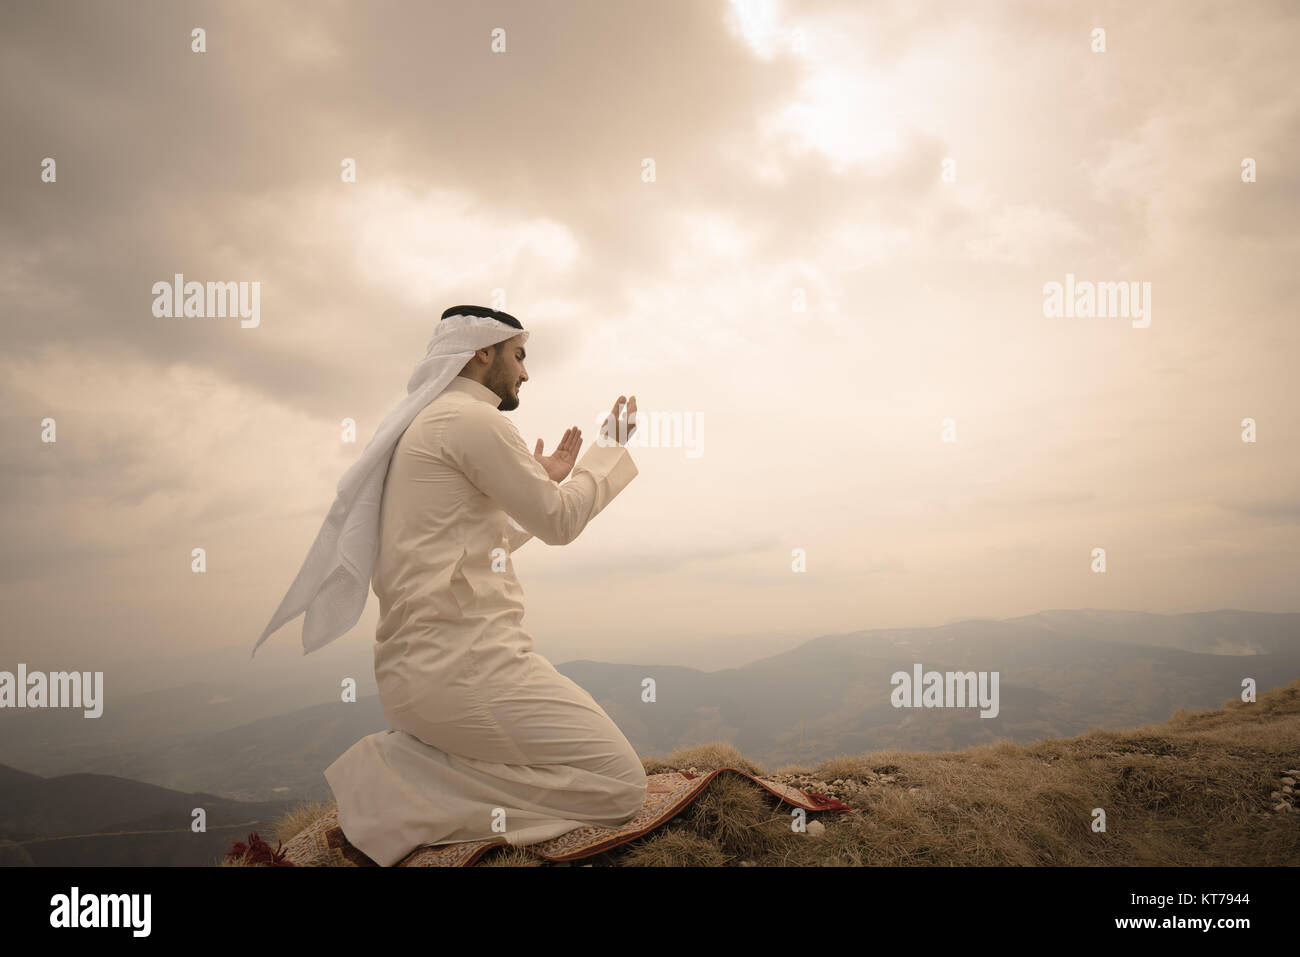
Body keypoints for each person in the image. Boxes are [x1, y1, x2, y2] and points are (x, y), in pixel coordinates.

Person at [312, 305, 646, 866]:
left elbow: (478, 542)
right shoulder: (473, 421)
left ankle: (409, 771)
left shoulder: (424, 427)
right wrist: (608, 447)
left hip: (418, 677)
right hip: (468, 669)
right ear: (483, 352)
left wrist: (540, 481)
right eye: (519, 355)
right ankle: (391, 788)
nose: (525, 373)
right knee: (621, 785)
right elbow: (560, 522)